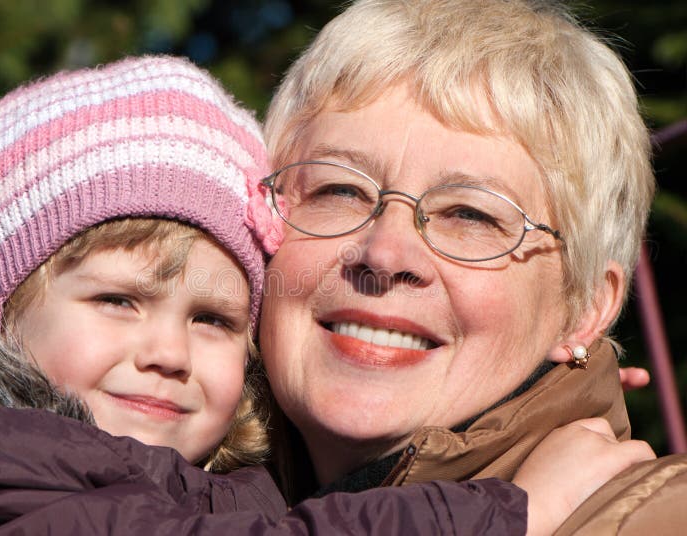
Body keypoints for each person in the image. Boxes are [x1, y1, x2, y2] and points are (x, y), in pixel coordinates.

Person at [0, 53, 642, 535]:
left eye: (214, 319)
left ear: (586, 307)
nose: (168, 353)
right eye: (118, 300)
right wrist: (516, 512)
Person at [244, 0, 685, 532]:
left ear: (585, 306)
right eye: (340, 190)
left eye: (470, 215)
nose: (384, 254)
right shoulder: (174, 492)